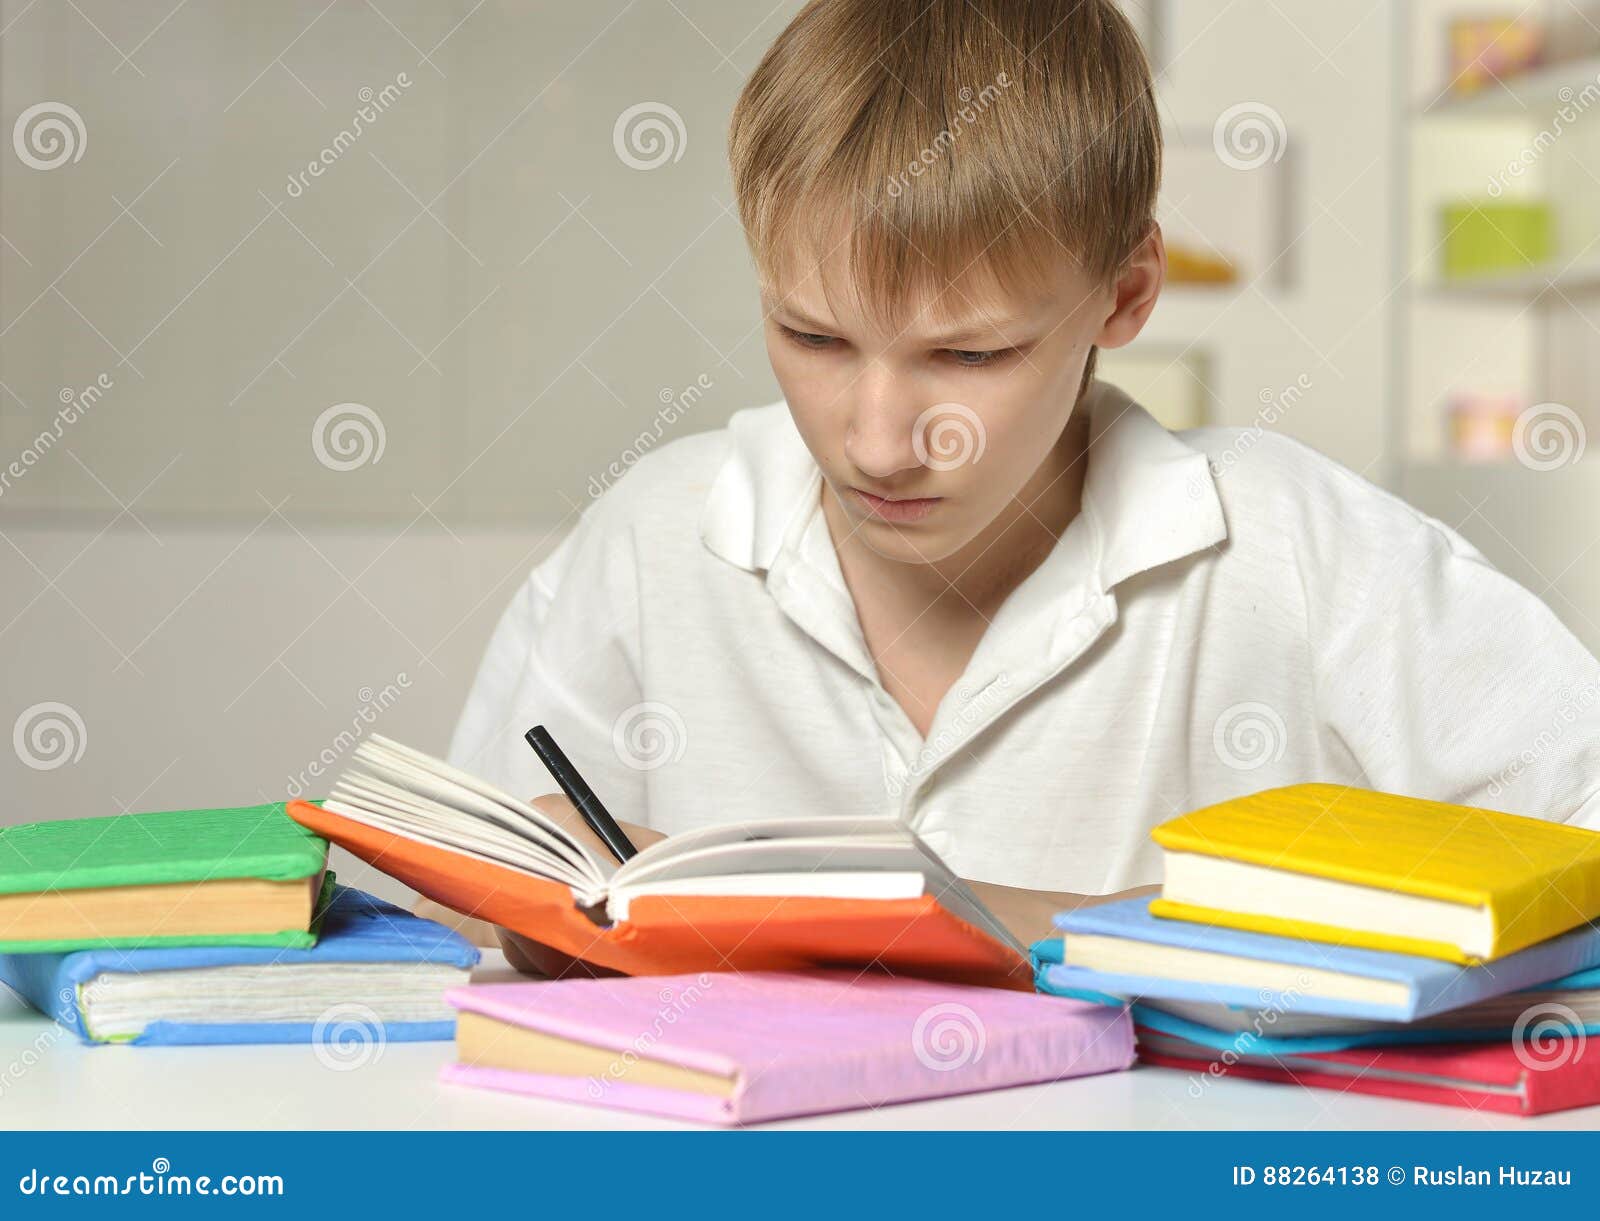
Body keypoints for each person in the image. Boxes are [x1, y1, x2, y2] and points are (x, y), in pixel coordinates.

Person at [432, 0, 1600, 974]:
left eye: (968, 356)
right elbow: (469, 906)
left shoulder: (1292, 545)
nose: (879, 442)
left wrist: (1000, 924)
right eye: (813, 337)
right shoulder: (652, 535)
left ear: (1125, 293)